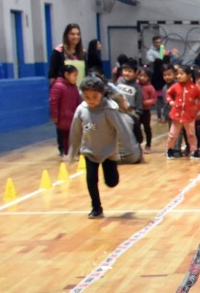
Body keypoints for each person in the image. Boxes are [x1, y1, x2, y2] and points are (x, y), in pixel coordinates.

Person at [69, 74, 129, 220]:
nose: (91, 101)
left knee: (111, 182)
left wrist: (128, 147)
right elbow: (76, 132)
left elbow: (122, 128)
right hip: (89, 151)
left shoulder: (109, 109)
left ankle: (112, 174)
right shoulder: (81, 110)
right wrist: (72, 152)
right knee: (91, 179)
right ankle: (96, 207)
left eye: (95, 97)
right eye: (87, 97)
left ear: (102, 94)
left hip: (108, 152)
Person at [117, 60, 152, 151]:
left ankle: (136, 148)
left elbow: (139, 101)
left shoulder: (136, 86)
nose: (127, 73)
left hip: (131, 112)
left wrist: (138, 113)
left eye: (130, 71)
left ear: (135, 73)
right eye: (125, 71)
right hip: (119, 111)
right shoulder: (119, 81)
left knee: (133, 131)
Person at [50, 64, 81, 158]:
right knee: (65, 136)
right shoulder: (58, 86)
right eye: (74, 75)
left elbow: (77, 100)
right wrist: (55, 116)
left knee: (74, 134)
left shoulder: (74, 86)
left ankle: (73, 152)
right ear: (66, 74)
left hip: (73, 115)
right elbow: (53, 102)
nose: (75, 78)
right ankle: (66, 152)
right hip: (63, 116)